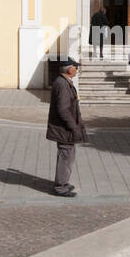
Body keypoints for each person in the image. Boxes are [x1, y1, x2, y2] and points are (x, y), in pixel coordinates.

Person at [47, 56, 88, 196]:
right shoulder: (63, 84)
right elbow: (63, 110)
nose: (77, 70)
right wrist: (74, 127)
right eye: (76, 67)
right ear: (70, 69)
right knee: (65, 156)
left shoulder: (63, 82)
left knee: (68, 155)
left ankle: (63, 182)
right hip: (64, 129)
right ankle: (60, 187)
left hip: (65, 128)